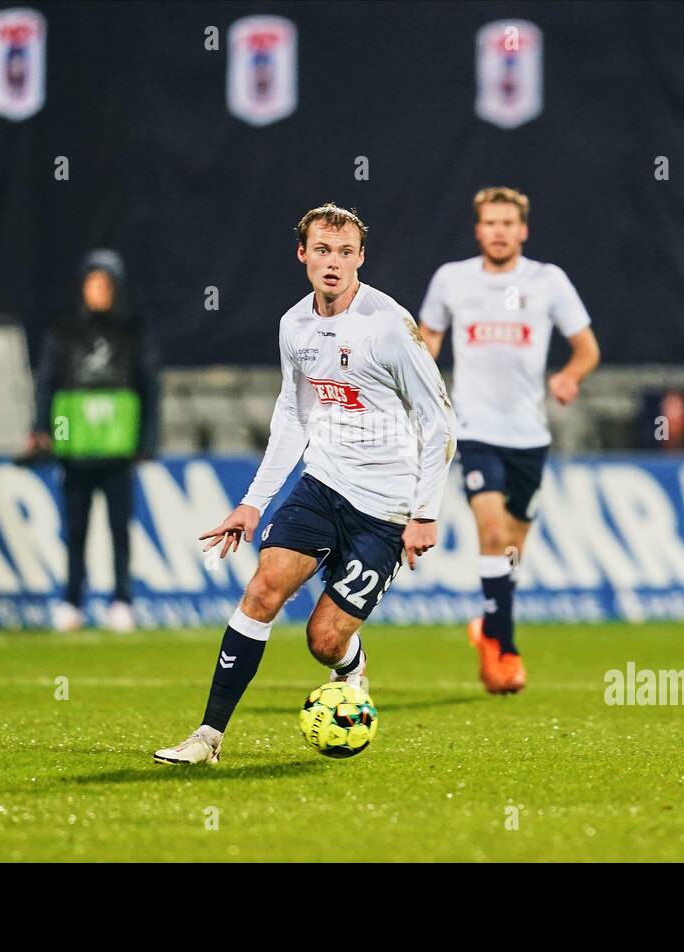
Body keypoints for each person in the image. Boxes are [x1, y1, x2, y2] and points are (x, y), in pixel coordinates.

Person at [154, 203, 455, 765]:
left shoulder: (388, 326)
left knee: (323, 640)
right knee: (264, 590)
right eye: (322, 250)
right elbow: (293, 418)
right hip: (323, 484)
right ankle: (208, 736)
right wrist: (251, 504)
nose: (333, 263)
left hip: (385, 508)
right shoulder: (294, 326)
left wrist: (424, 510)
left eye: (345, 252)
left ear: (361, 258)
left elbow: (439, 417)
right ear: (303, 255)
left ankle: (350, 665)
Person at [418, 187, 600, 694]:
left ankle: (487, 627)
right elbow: (428, 339)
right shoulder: (452, 279)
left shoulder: (547, 281)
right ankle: (505, 651)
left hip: (529, 435)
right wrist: (416, 374)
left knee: (513, 552)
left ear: (523, 230)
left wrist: (569, 377)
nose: (498, 231)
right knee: (494, 537)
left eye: (507, 223)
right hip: (474, 430)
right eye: (490, 223)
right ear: (478, 230)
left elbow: (587, 348)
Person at [30, 249, 160, 633]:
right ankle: (71, 601)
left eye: (105, 284)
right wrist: (44, 431)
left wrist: (145, 441)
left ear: (116, 289)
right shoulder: (63, 331)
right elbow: (46, 384)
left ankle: (121, 600)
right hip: (75, 449)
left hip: (118, 450)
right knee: (75, 530)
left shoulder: (134, 332)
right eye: (93, 283)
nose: (98, 291)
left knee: (120, 530)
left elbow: (149, 387)